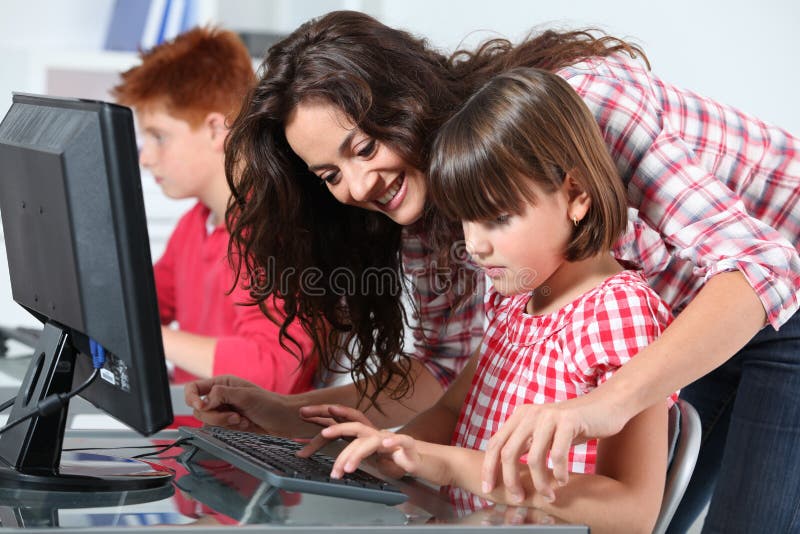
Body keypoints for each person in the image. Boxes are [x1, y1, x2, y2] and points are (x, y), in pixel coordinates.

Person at [185, 11, 800, 533]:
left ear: (405, 102)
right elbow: (440, 368)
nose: (356, 186)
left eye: (364, 149)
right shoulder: (438, 213)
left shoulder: (580, 115)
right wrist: (288, 413)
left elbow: (764, 267)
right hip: (698, 314)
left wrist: (605, 402)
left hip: (778, 291)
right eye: (329, 176)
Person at [317, 66, 677, 534]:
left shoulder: (619, 312)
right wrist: (393, 450)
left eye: (498, 218)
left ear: (577, 195)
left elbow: (632, 513)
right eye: (466, 220)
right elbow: (451, 411)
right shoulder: (516, 299)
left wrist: (447, 465)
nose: (475, 245)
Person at [112, 27, 316, 394]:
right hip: (191, 428)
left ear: (215, 129)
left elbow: (275, 369)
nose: (145, 157)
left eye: (159, 136)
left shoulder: (273, 230)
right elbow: (141, 305)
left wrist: (143, 339)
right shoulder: (196, 224)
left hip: (247, 441)